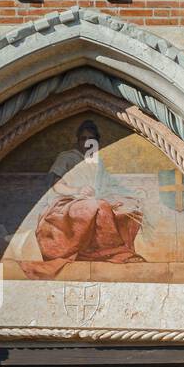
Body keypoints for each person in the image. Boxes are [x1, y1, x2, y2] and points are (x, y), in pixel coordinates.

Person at [21, 119, 146, 278]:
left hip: (92, 202)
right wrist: (77, 191)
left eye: (91, 139)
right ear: (78, 140)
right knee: (99, 206)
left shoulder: (98, 164)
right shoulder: (67, 157)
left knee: (131, 210)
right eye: (83, 138)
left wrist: (122, 199)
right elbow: (56, 184)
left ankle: (99, 252)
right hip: (66, 204)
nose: (87, 142)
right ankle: (117, 253)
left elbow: (109, 187)